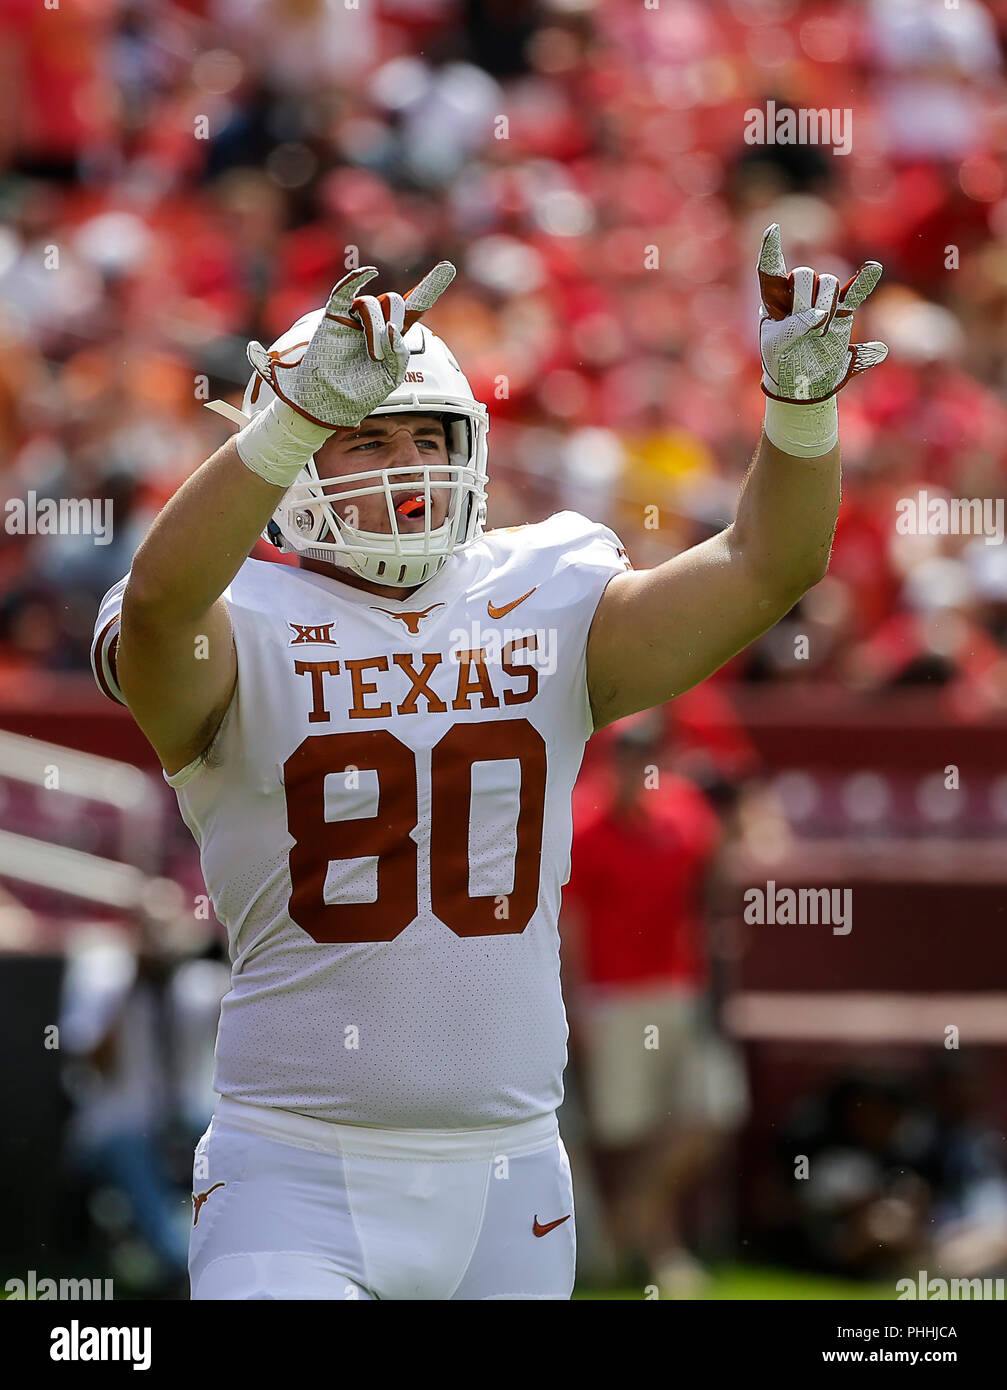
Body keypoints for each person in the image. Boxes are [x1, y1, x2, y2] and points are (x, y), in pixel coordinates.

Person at [89, 230, 887, 1299]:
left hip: (511, 1171)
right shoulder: (236, 618)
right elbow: (156, 605)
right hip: (296, 1166)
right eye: (364, 438)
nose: (407, 465)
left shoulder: (541, 591)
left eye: (428, 433)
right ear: (289, 449)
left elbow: (766, 563)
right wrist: (291, 419)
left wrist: (798, 412)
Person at [563, 712, 748, 1295]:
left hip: (679, 987)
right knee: (629, 1132)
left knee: (710, 1113)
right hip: (614, 996)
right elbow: (572, 927)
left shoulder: (685, 811)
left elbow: (713, 882)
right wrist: (576, 1005)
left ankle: (629, 1232)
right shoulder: (582, 824)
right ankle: (657, 1253)